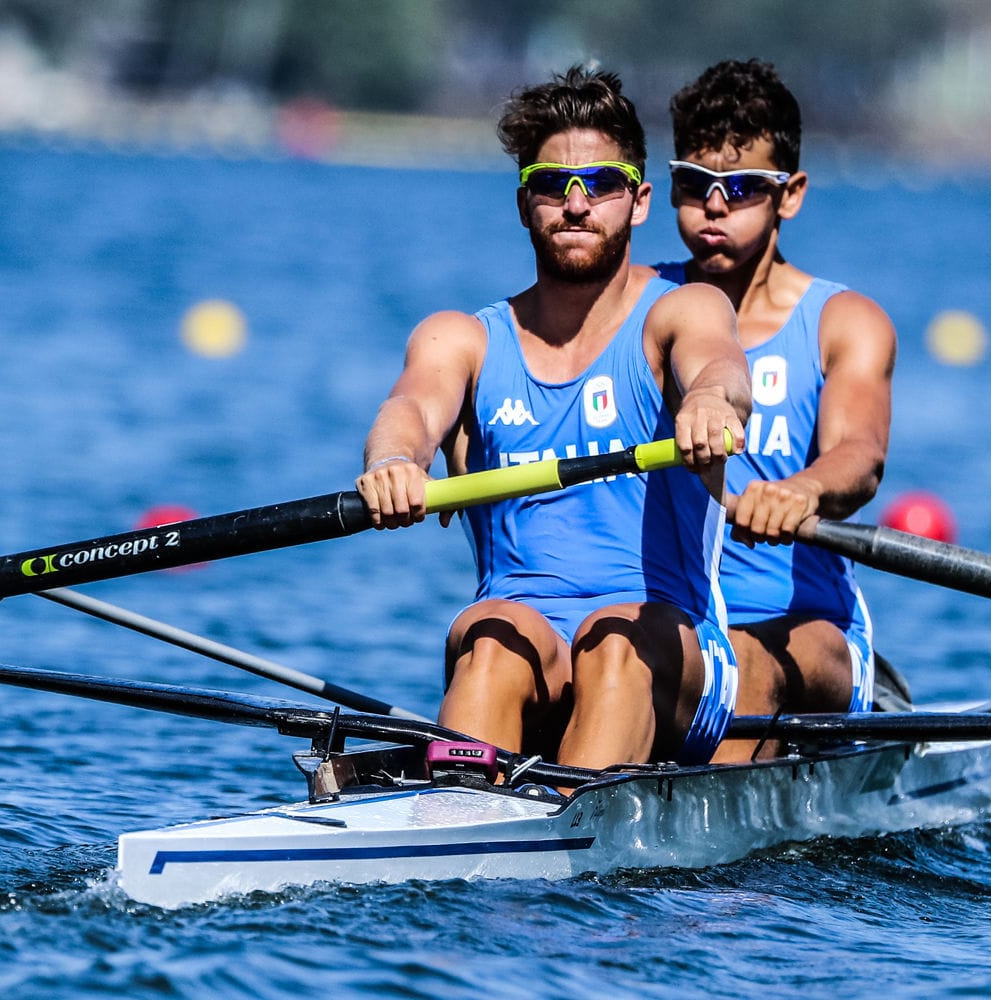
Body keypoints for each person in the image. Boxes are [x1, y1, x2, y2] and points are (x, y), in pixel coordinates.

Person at [355, 66, 752, 771]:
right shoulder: (464, 338)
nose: (575, 205)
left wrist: (710, 405)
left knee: (613, 641)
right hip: (525, 645)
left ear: (638, 200)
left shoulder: (680, 311)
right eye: (551, 185)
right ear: (522, 204)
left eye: (599, 183)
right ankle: (457, 833)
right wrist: (394, 461)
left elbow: (719, 366)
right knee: (490, 635)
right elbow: (411, 407)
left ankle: (557, 845)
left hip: (670, 653)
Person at [658, 60, 899, 756]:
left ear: (789, 195)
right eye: (693, 185)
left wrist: (802, 491)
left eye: (740, 189)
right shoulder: (645, 306)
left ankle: (706, 865)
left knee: (746, 661)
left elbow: (861, 456)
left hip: (805, 632)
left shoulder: (844, 321)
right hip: (676, 622)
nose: (713, 207)